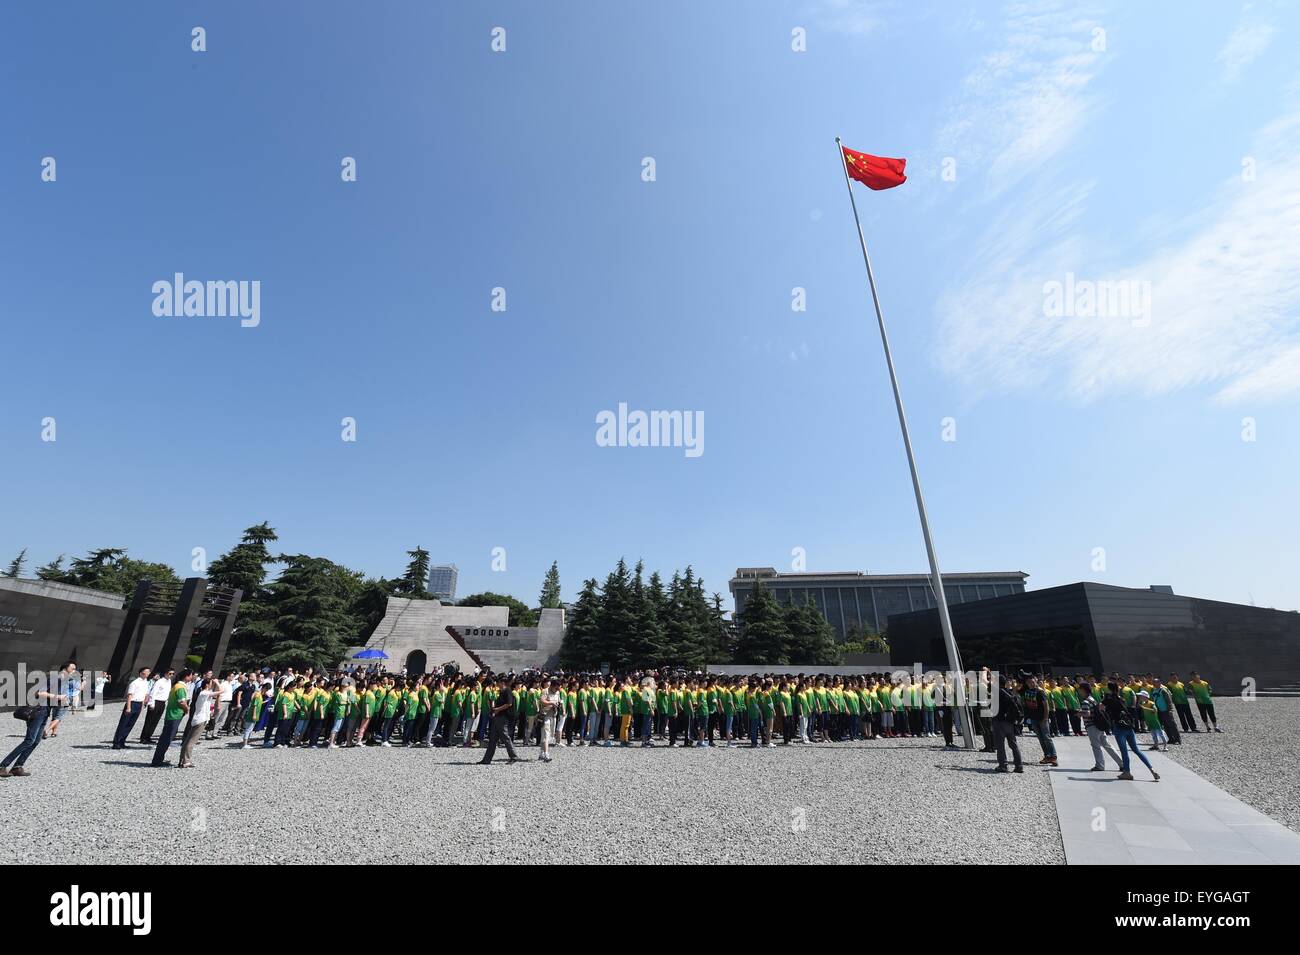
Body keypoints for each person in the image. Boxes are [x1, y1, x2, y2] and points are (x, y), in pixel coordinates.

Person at [0, 668, 68, 777]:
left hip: (45, 713)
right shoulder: (54, 679)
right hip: (38, 712)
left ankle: (17, 767)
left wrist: (61, 700)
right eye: (72, 669)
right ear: (65, 670)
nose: (74, 672)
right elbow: (39, 693)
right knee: (29, 740)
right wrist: (58, 697)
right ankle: (2, 766)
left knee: (36, 741)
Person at [1102, 683, 1159, 782]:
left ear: (1109, 689)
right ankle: (1151, 769)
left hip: (1119, 728)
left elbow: (1101, 707)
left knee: (1124, 752)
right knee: (1136, 750)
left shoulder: (1108, 699)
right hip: (1128, 727)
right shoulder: (1121, 699)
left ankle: (1127, 772)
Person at [151, 669, 193, 767]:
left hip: (173, 714)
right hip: (174, 714)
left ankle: (159, 759)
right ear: (186, 676)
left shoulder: (177, 685)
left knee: (166, 737)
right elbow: (181, 701)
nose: (192, 677)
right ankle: (157, 760)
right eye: (191, 675)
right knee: (166, 738)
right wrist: (187, 709)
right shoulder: (180, 687)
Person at [1078, 681, 1122, 771]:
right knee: (1107, 745)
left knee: (1096, 746)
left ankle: (1100, 765)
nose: (1079, 692)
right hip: (1099, 725)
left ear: (1083, 690)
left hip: (1092, 726)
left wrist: (1079, 713)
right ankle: (1121, 763)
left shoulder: (1085, 701)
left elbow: (1087, 713)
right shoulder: (1092, 699)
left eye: (1080, 690)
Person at [480, 677, 521, 765]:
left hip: (503, 717)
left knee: (505, 737)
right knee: (493, 738)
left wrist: (498, 709)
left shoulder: (507, 691)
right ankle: (487, 759)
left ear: (502, 683)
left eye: (498, 682)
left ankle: (513, 756)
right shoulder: (502, 692)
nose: (497, 684)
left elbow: (509, 704)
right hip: (498, 717)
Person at [178, 677, 217, 768]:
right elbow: (221, 692)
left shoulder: (204, 693)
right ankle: (186, 761)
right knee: (191, 741)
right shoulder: (204, 692)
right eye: (211, 683)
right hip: (201, 719)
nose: (212, 685)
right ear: (207, 685)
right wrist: (217, 683)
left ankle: (182, 760)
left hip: (198, 719)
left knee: (188, 740)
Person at [1020, 676, 1057, 766]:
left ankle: (1054, 756)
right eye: (1029, 682)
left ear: (1035, 682)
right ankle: (1047, 755)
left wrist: (1045, 718)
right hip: (1033, 718)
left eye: (1033, 682)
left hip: (1042, 718)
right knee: (1040, 738)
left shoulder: (1040, 692)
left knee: (1047, 737)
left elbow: (1046, 705)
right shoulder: (1026, 692)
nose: (1031, 684)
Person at [112, 667, 152, 749]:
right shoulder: (135, 682)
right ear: (141, 673)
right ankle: (116, 742)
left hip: (139, 703)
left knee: (130, 724)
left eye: (148, 672)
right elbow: (129, 695)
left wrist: (142, 705)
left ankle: (122, 741)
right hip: (132, 703)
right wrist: (128, 707)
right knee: (124, 723)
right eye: (146, 672)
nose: (148, 673)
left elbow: (144, 695)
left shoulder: (146, 683)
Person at [990, 675, 1023, 773]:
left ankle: (1003, 765)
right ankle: (1019, 765)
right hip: (1010, 722)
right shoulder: (1009, 692)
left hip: (999, 721)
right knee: (1013, 744)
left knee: (1000, 745)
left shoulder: (997, 693)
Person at [139, 669, 173, 744]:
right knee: (149, 720)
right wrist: (152, 703)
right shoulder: (160, 681)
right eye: (170, 673)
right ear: (166, 673)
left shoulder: (169, 682)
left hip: (162, 702)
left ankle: (148, 736)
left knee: (155, 720)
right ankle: (143, 737)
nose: (171, 675)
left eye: (172, 674)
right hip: (156, 701)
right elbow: (153, 692)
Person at [538, 679, 562, 762]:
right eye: (556, 688)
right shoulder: (545, 691)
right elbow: (542, 700)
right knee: (546, 735)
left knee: (549, 735)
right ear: (551, 686)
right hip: (545, 716)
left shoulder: (558, 692)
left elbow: (558, 701)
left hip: (553, 715)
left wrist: (559, 704)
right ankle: (546, 754)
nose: (557, 690)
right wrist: (551, 703)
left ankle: (541, 753)